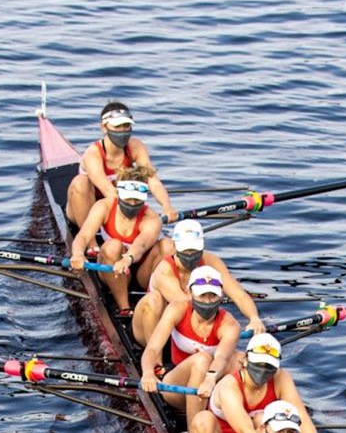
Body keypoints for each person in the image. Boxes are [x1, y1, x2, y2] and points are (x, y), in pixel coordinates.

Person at [188, 334, 326, 433]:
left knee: (266, 420)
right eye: (258, 364)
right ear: (246, 360)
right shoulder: (229, 386)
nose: (263, 371)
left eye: (269, 367)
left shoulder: (281, 377)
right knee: (203, 420)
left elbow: (299, 413)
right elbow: (247, 432)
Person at [130, 219, 265, 345]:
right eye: (186, 250)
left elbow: (238, 295)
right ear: (174, 245)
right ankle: (156, 362)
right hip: (151, 329)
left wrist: (254, 318)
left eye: (194, 250)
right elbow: (188, 307)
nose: (190, 255)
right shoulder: (164, 271)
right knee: (155, 299)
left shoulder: (211, 261)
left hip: (183, 329)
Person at [141, 265, 241, 420]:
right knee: (202, 359)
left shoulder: (230, 325)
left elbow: (222, 358)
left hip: (208, 385)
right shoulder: (177, 309)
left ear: (221, 295)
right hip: (175, 385)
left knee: (242, 360)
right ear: (189, 293)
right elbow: (153, 348)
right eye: (202, 296)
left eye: (212, 296)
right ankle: (194, 431)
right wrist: (147, 373)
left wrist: (209, 378)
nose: (207, 302)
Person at [65, 100, 177, 228]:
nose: (123, 131)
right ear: (104, 127)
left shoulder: (135, 147)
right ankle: (90, 242)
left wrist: (167, 206)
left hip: (116, 207)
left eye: (126, 126)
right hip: (85, 209)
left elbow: (153, 181)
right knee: (81, 182)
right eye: (117, 127)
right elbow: (107, 190)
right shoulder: (93, 154)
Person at [70, 165, 163, 316]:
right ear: (119, 193)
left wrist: (128, 258)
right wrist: (78, 254)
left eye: (137, 200)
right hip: (109, 269)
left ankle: (155, 304)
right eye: (128, 199)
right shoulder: (104, 206)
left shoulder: (152, 219)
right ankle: (124, 308)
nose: (132, 204)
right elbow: (83, 236)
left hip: (139, 273)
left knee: (167, 246)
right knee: (113, 246)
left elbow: (141, 245)